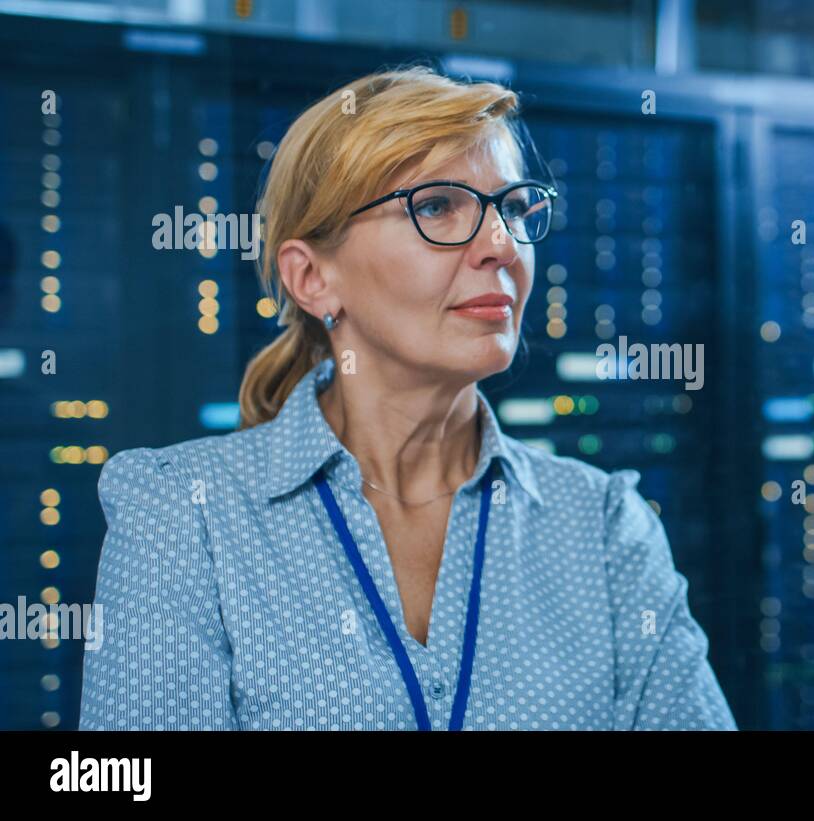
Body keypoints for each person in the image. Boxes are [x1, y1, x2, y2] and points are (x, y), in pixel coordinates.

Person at [79, 66, 736, 731]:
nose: (501, 246)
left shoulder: (601, 526)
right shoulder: (185, 516)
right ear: (311, 278)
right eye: (436, 206)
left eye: (512, 207)